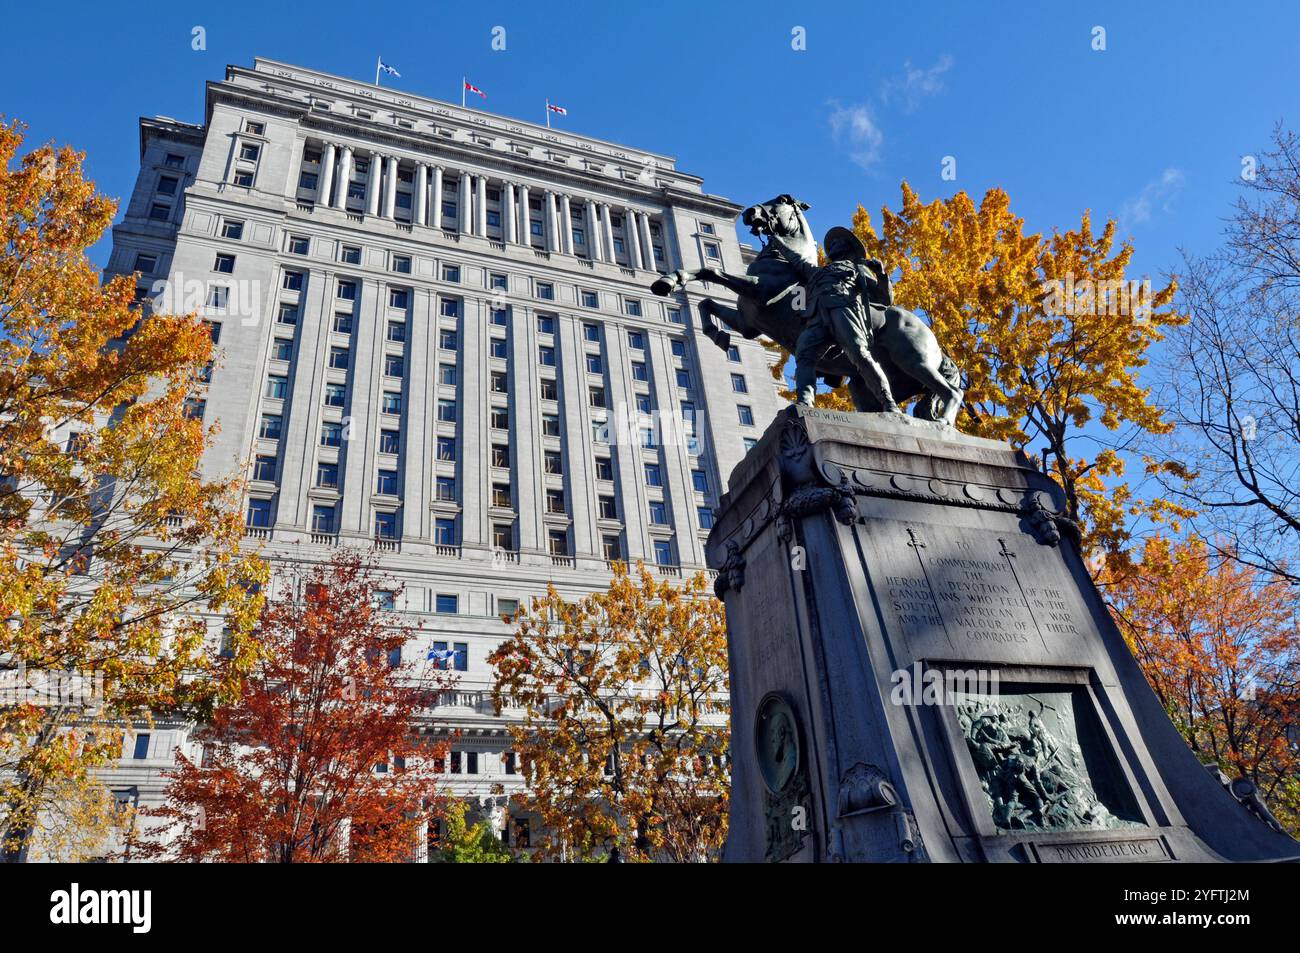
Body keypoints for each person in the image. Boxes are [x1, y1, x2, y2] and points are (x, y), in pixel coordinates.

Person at [769, 225, 902, 411]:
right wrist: (776, 240)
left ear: (847, 247)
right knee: (804, 356)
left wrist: (881, 275)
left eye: (836, 242)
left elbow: (885, 298)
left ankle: (888, 403)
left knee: (860, 354)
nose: (831, 245)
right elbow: (794, 259)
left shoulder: (858, 269)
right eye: (831, 243)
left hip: (844, 312)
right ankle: (805, 403)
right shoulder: (817, 271)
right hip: (817, 318)